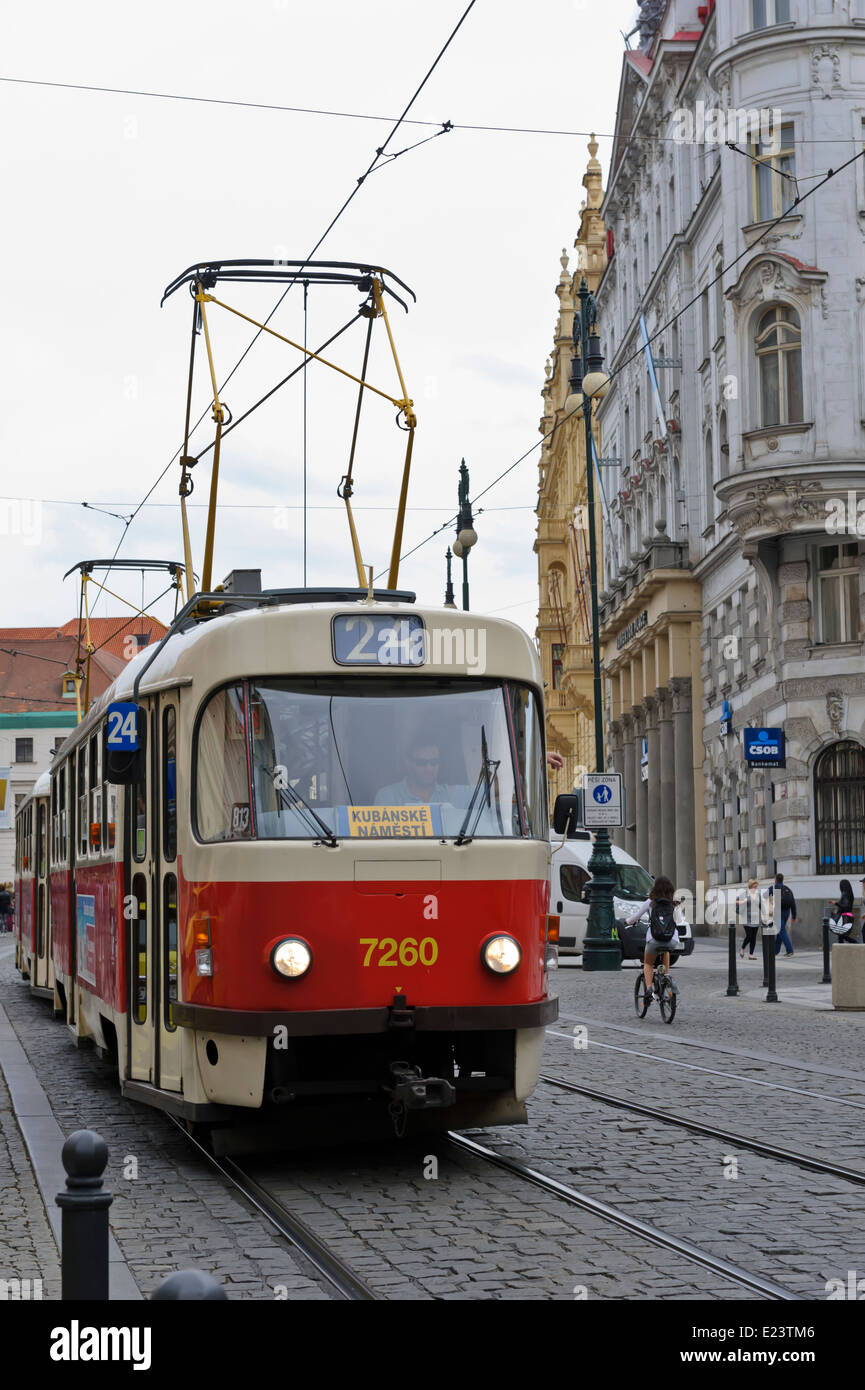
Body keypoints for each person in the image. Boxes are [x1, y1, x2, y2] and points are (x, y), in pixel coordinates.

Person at [624, 875, 684, 1004]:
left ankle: (649, 989)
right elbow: (679, 921)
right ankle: (665, 977)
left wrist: (628, 921)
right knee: (666, 950)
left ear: (655, 888)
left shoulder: (650, 902)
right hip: (671, 940)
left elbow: (635, 918)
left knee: (648, 963)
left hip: (654, 940)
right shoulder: (675, 904)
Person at [375, 741, 469, 807]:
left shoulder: (451, 795)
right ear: (408, 763)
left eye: (434, 762)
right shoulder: (387, 796)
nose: (429, 768)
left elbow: (483, 792)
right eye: (421, 763)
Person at [770, 872, 797, 956]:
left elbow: (764, 896)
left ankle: (790, 950)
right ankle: (775, 951)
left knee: (782, 931)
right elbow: (793, 902)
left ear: (775, 880)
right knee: (780, 931)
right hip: (787, 912)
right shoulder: (787, 889)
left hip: (778, 912)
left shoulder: (773, 887)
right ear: (782, 879)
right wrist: (794, 915)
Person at [738, 878, 761, 960]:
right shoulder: (745, 894)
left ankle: (751, 954)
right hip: (746, 919)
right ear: (750, 886)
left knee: (753, 937)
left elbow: (760, 905)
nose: (755, 889)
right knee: (749, 936)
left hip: (755, 919)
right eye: (754, 887)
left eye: (756, 887)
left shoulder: (758, 895)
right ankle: (742, 948)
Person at [829, 879, 856, 943]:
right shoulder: (850, 894)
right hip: (848, 916)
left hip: (843, 917)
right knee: (841, 935)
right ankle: (853, 943)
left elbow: (845, 906)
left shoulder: (845, 894)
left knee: (842, 934)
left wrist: (835, 903)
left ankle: (855, 943)